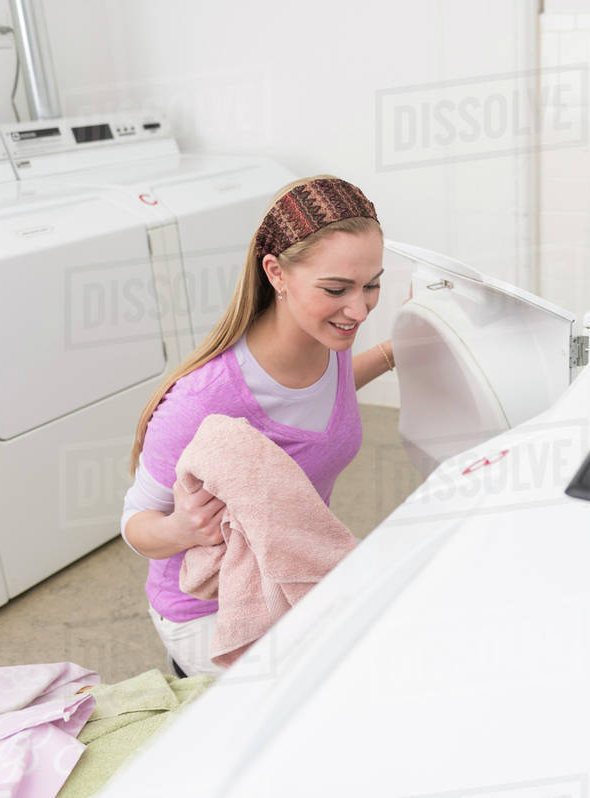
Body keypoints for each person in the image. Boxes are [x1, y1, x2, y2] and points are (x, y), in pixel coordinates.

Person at [121, 175, 394, 677]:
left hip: (279, 571)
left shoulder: (327, 337)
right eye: (336, 288)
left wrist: (394, 353)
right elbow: (135, 524)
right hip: (207, 610)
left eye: (372, 284)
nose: (359, 309)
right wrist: (183, 528)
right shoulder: (203, 402)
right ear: (276, 273)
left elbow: (313, 402)